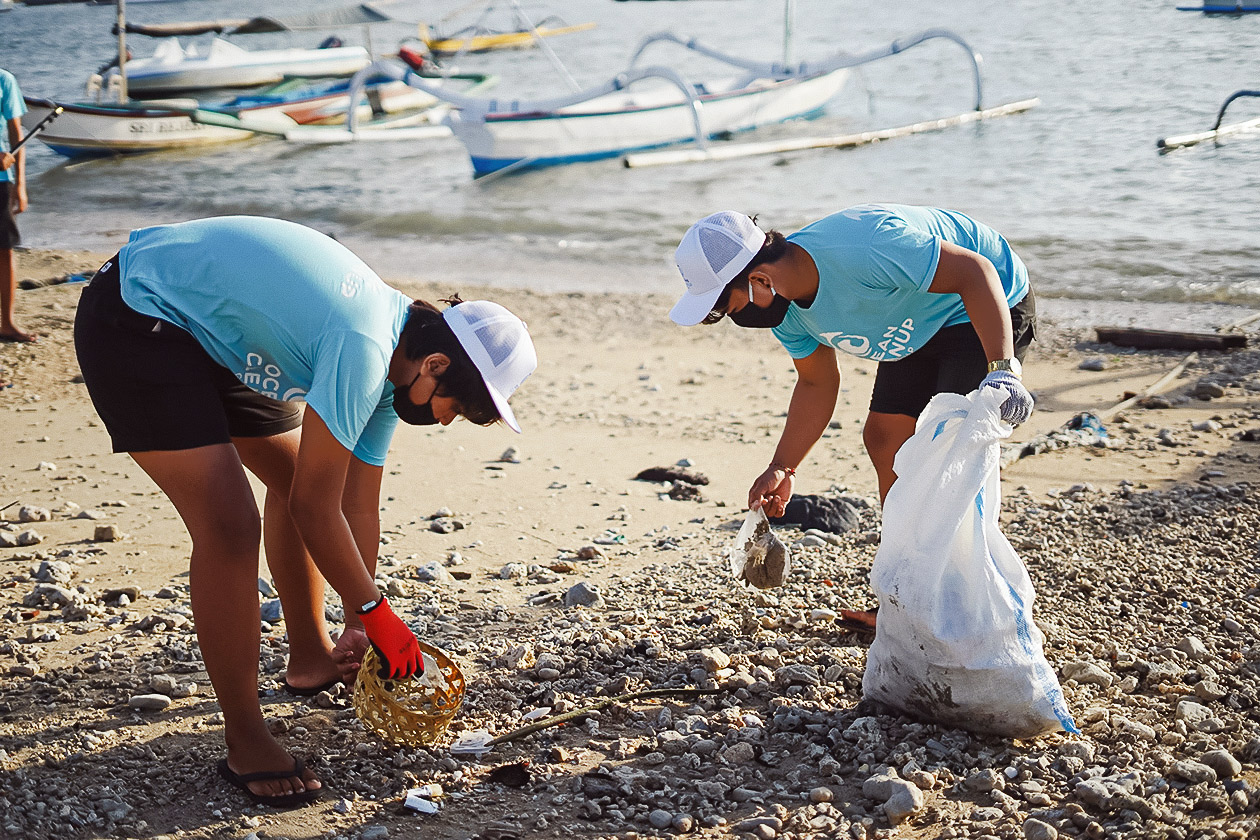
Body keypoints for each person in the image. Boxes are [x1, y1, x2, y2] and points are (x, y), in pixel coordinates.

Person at [73, 215, 537, 807]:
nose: (446, 422)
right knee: (229, 524)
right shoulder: (366, 346)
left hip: (212, 331)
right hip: (138, 314)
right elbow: (317, 510)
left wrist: (355, 620)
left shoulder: (397, 366)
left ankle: (311, 655)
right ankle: (245, 737)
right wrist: (378, 613)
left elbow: (354, 504)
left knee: (296, 474)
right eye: (457, 408)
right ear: (437, 365)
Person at [669, 204, 1035, 513]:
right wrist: (783, 467)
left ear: (761, 280)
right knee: (884, 437)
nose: (739, 319)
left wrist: (1002, 371)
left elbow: (975, 272)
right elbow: (817, 383)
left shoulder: (866, 247)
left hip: (982, 298)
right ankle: (903, 576)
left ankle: (956, 576)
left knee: (950, 441)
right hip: (912, 318)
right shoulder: (787, 313)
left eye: (734, 309)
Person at [1, 68, 35, 343]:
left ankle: (7, 323)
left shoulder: (5, 80)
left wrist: (20, 185)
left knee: (5, 251)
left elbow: (16, 137)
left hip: (3, 180)